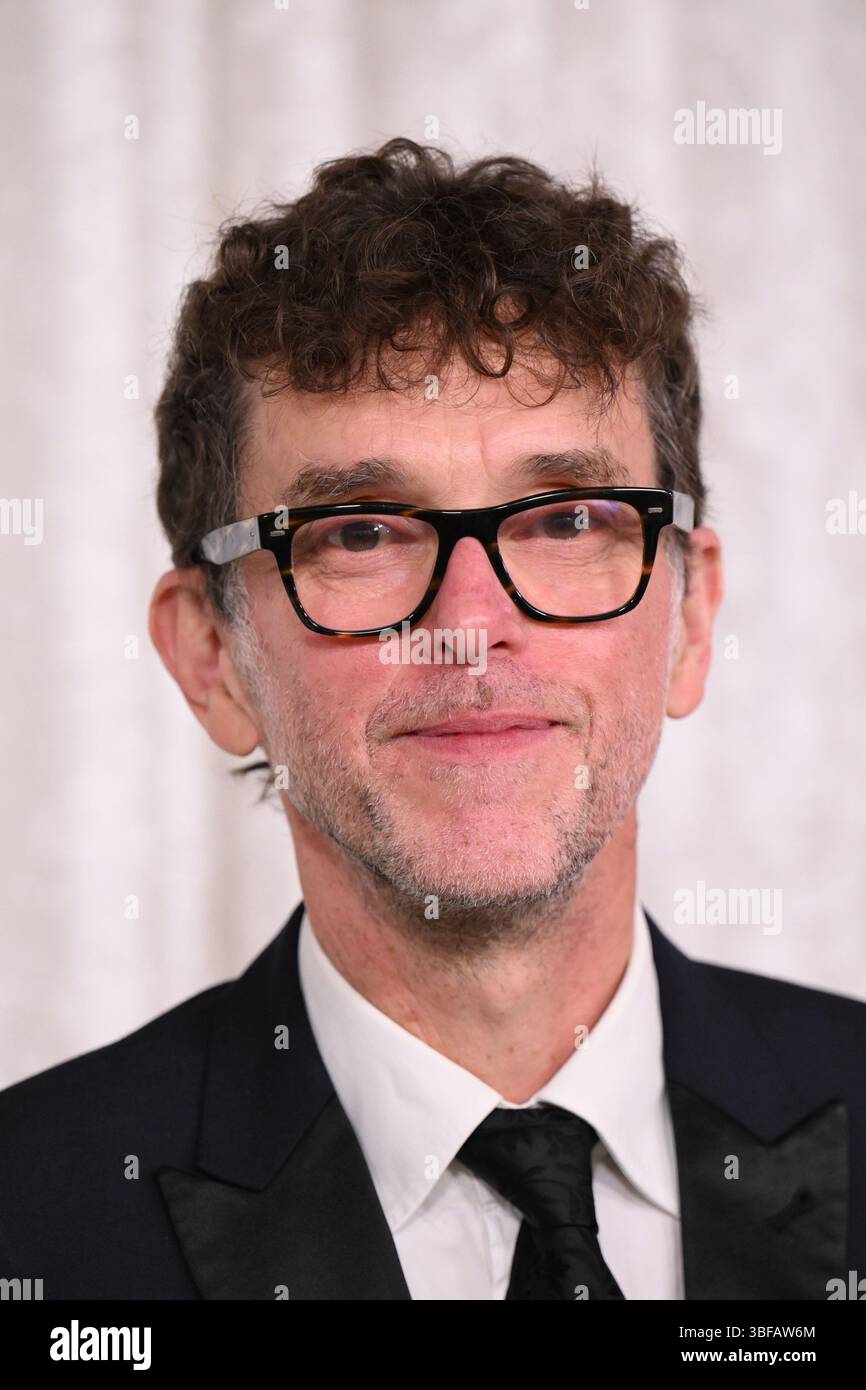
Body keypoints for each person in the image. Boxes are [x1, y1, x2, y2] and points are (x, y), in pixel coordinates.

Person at [1, 138, 863, 1301]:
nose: (469, 624)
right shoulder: (33, 1222)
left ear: (689, 614)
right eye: (360, 531)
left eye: (565, 523)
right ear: (213, 658)